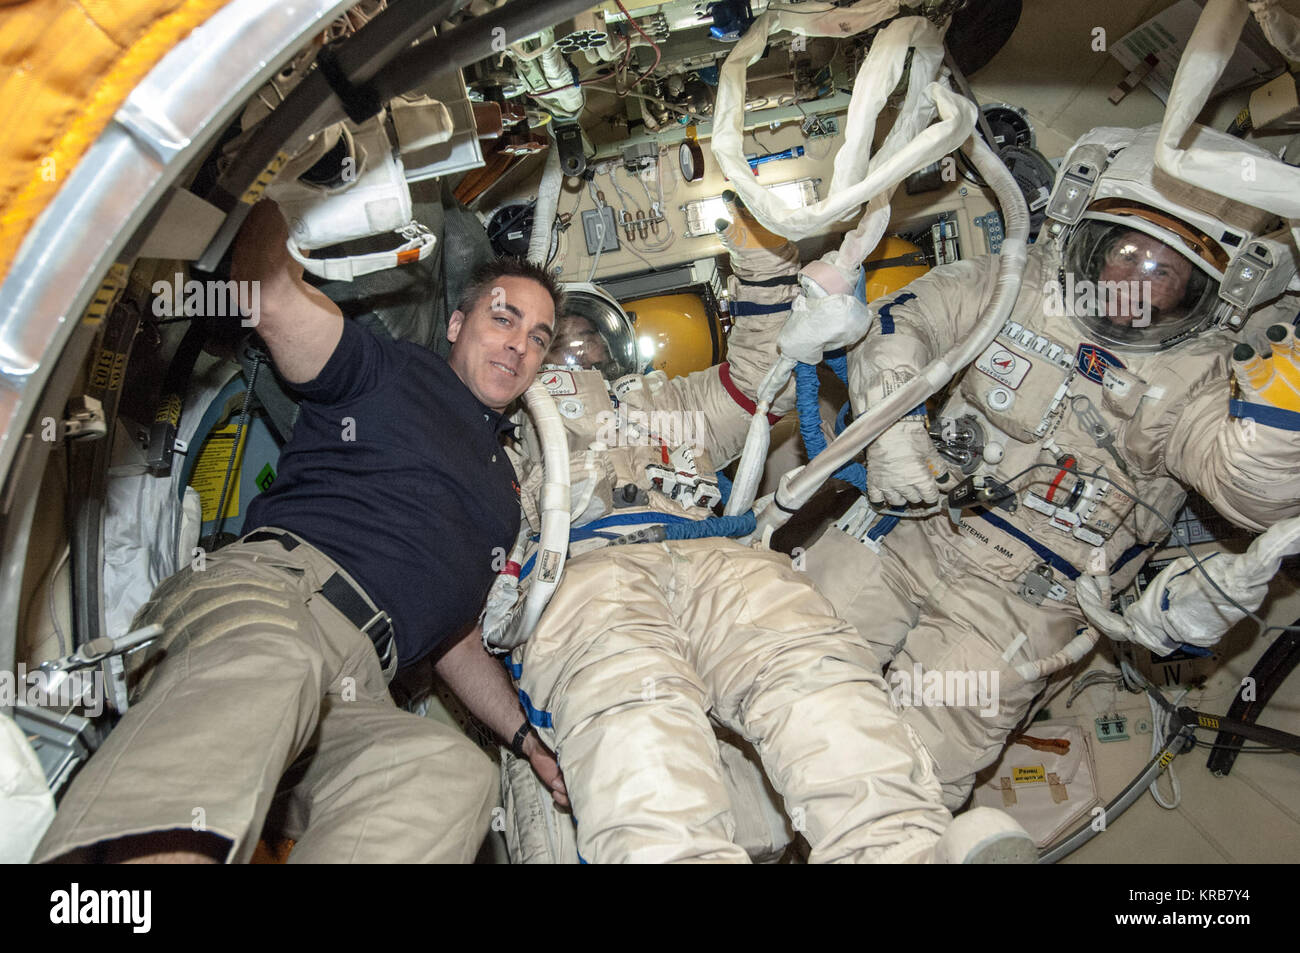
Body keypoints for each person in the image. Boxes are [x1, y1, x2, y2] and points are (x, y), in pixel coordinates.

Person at [493, 192, 1036, 863]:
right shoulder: (497, 440)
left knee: (812, 667)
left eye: (585, 339)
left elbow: (760, 377)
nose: (572, 351)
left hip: (716, 560)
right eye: (555, 342)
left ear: (614, 353)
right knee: (632, 706)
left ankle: (897, 848)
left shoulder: (671, 403)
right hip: (586, 574)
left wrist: (760, 255)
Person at [35, 200, 566, 863]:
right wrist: (291, 192)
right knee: (277, 662)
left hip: (361, 683)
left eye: (539, 336)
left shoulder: (505, 495)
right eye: (504, 317)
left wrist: (525, 739)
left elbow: (455, 636)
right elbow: (269, 295)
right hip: (274, 598)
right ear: (457, 323)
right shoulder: (393, 370)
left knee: (450, 771)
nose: (519, 343)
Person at [803, 124, 1300, 809]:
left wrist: (1281, 420)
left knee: (898, 786)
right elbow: (903, 325)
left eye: (1166, 272)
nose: (1135, 280)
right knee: (780, 670)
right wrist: (895, 435)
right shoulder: (1018, 283)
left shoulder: (1200, 379)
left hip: (1019, 605)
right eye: (1128, 252)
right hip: (908, 526)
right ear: (1091, 240)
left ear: (1201, 293)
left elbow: (1253, 493)